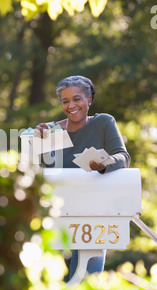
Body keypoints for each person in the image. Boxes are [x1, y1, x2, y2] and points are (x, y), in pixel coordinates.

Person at [34, 75, 130, 279]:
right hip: (59, 219)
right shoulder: (51, 131)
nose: (71, 105)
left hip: (94, 218)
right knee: (57, 282)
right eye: (65, 101)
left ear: (89, 99)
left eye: (77, 99)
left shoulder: (103, 122)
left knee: (87, 280)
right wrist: (38, 142)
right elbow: (43, 172)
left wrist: (105, 164)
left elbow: (123, 156)